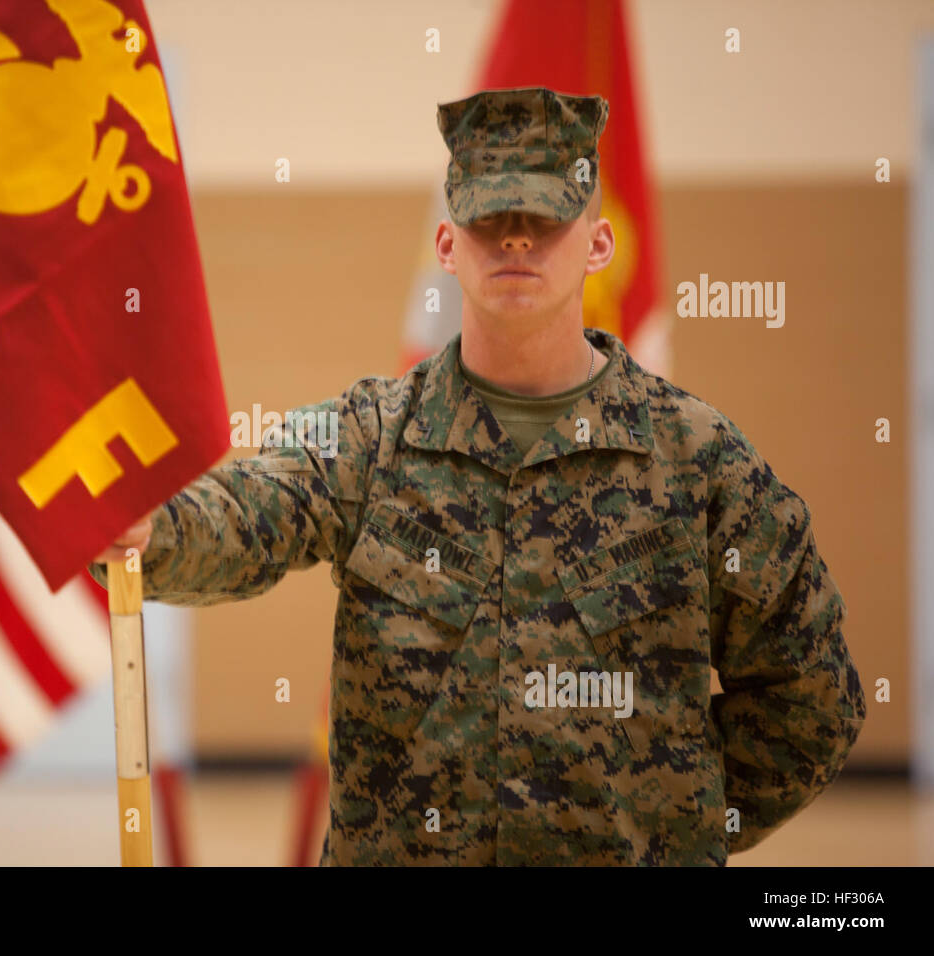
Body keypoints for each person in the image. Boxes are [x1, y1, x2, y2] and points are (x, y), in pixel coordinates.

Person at [89, 86, 866, 865]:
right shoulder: (372, 436)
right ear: (447, 244)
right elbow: (253, 508)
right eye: (490, 220)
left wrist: (672, 828)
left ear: (598, 244)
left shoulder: (697, 461)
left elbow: (812, 698)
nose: (517, 241)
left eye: (545, 218)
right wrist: (152, 526)